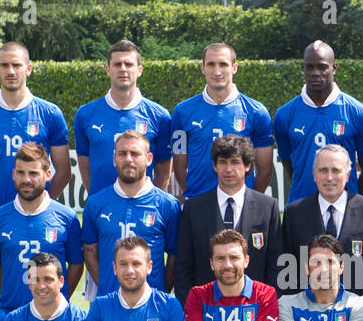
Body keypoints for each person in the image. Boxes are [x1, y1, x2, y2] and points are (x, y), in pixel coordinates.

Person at [0, 41, 71, 215]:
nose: (11, 71)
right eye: (4, 65)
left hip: (36, 216)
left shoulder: (50, 114)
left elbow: (64, 171)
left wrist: (39, 203)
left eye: (16, 65)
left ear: (28, 69)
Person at [175, 134, 282, 301]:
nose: (228, 169)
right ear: (215, 166)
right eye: (223, 162)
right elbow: (183, 267)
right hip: (206, 313)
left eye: (235, 162)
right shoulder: (193, 208)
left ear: (248, 166)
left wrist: (268, 307)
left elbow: (276, 265)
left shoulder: (267, 207)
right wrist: (190, 310)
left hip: (254, 311)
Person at [272, 40, 363, 201]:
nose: (315, 73)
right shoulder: (284, 115)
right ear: (302, 68)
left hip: (344, 214)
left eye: (322, 67)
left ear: (334, 68)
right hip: (300, 211)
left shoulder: (358, 113)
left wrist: (349, 202)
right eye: (310, 67)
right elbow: (290, 167)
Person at [81, 130, 181, 297]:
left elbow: (175, 257)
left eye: (135, 153)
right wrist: (108, 288)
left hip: (153, 306)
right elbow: (89, 250)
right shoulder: (95, 203)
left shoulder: (168, 205)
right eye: (122, 153)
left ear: (149, 159)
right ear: (114, 159)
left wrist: (159, 291)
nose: (128, 159)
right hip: (110, 306)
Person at [0, 143, 83, 312]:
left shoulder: (67, 218)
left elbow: (76, 265)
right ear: (13, 174)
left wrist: (61, 296)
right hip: (11, 314)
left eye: (33, 173)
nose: (26, 180)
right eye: (21, 172)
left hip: (54, 317)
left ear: (48, 174)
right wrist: (10, 297)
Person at [170, 42, 274, 198]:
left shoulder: (256, 112)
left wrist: (249, 202)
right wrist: (197, 200)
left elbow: (265, 171)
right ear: (202, 68)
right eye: (211, 64)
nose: (217, 71)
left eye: (223, 64)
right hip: (198, 205)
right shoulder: (182, 112)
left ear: (234, 68)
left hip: (241, 207)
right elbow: (179, 167)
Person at [279, 144, 363, 302]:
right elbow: (289, 269)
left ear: (348, 175)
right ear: (314, 175)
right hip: (308, 312)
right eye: (323, 170)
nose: (329, 177)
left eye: (336, 170)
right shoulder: (294, 213)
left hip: (358, 312)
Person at [73, 40, 172, 196]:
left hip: (144, 207)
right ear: (108, 69)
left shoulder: (160, 116)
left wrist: (151, 201)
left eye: (129, 64)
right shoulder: (85, 114)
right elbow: (85, 167)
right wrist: (99, 199)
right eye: (117, 64)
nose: (123, 69)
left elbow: (164, 169)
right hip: (102, 208)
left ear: (139, 70)